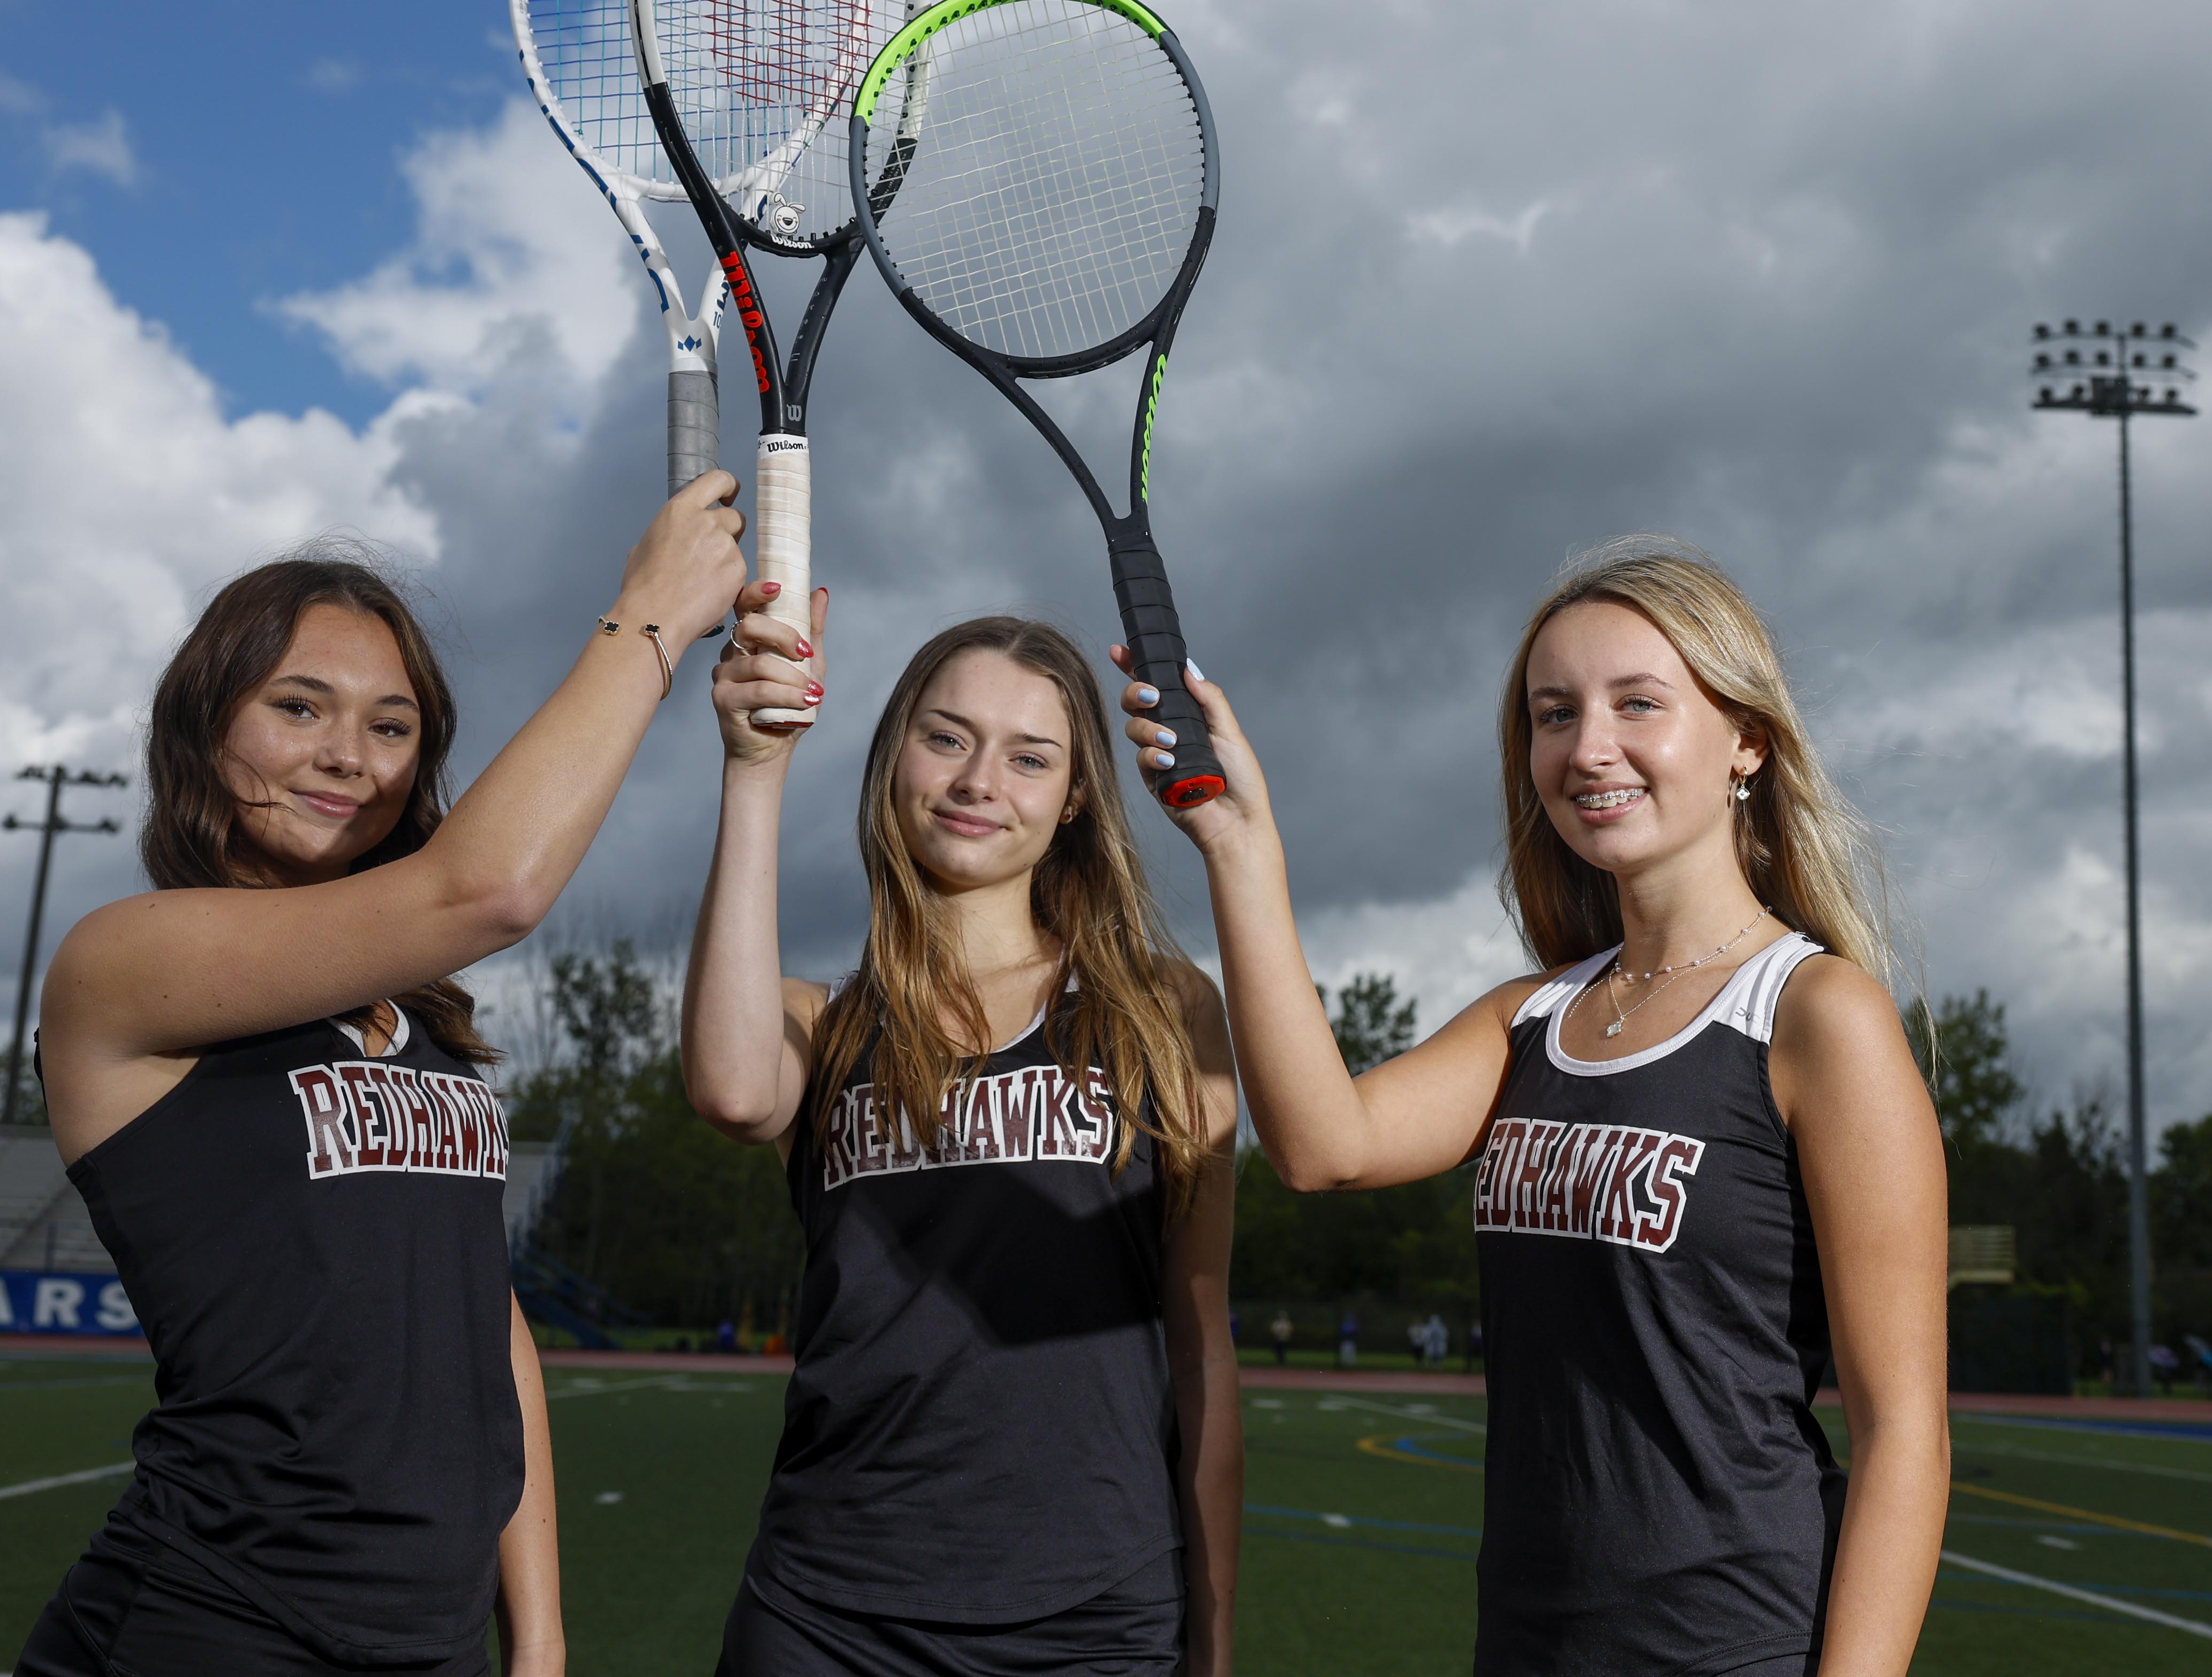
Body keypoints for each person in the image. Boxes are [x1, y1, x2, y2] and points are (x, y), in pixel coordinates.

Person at [1116, 541, 1949, 1677]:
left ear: (1747, 740)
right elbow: (1321, 1145)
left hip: (1736, 1646)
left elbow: (1904, 1431)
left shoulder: (1816, 1015)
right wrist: (1238, 844)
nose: (1587, 746)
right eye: (1554, 713)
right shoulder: (1531, 1018)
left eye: (1638, 703)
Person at [15, 482, 748, 1677]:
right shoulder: (124, 960)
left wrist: (543, 1638)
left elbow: (484, 1320)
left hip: (433, 1636)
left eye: (392, 726)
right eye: (299, 706)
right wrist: (649, 619)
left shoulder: (420, 1015)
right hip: (217, 1618)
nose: (348, 757)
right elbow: (488, 889)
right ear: (205, 726)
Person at [684, 602, 1242, 1676]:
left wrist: (1210, 1638)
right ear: (896, 753)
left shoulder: (1164, 1009)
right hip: (827, 1615)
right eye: (946, 737)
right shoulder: (817, 1020)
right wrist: (754, 768)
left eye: (1030, 757)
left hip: (1092, 1622)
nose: (980, 781)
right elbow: (731, 1089)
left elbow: (1199, 1339)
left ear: (1076, 796)